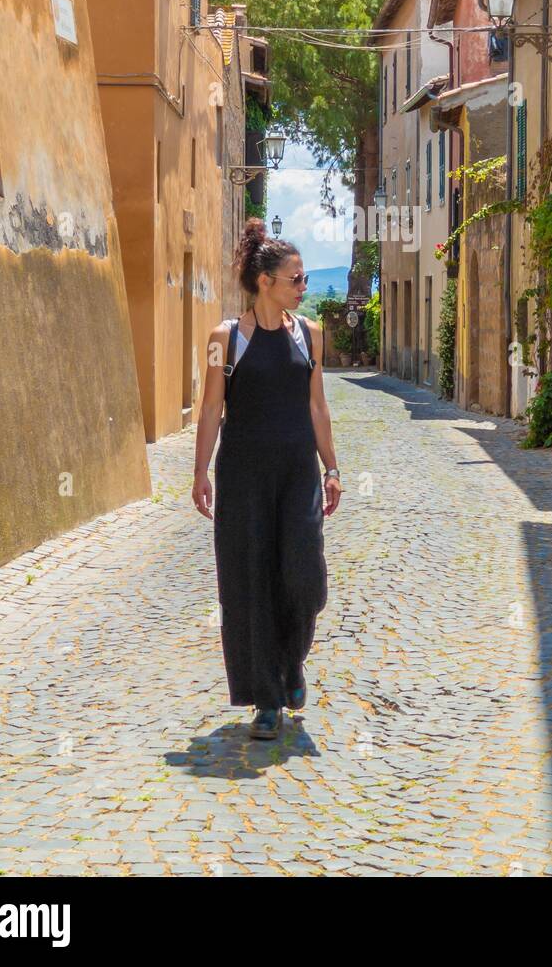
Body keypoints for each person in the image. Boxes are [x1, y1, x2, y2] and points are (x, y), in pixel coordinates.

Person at [192, 217, 342, 740]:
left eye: (304, 279)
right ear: (265, 282)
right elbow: (210, 409)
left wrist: (332, 468)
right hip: (244, 475)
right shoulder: (224, 339)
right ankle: (267, 699)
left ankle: (292, 662)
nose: (303, 286)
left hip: (298, 473)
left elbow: (317, 406)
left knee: (305, 578)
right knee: (250, 581)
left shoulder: (311, 336)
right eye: (295, 279)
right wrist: (200, 472)